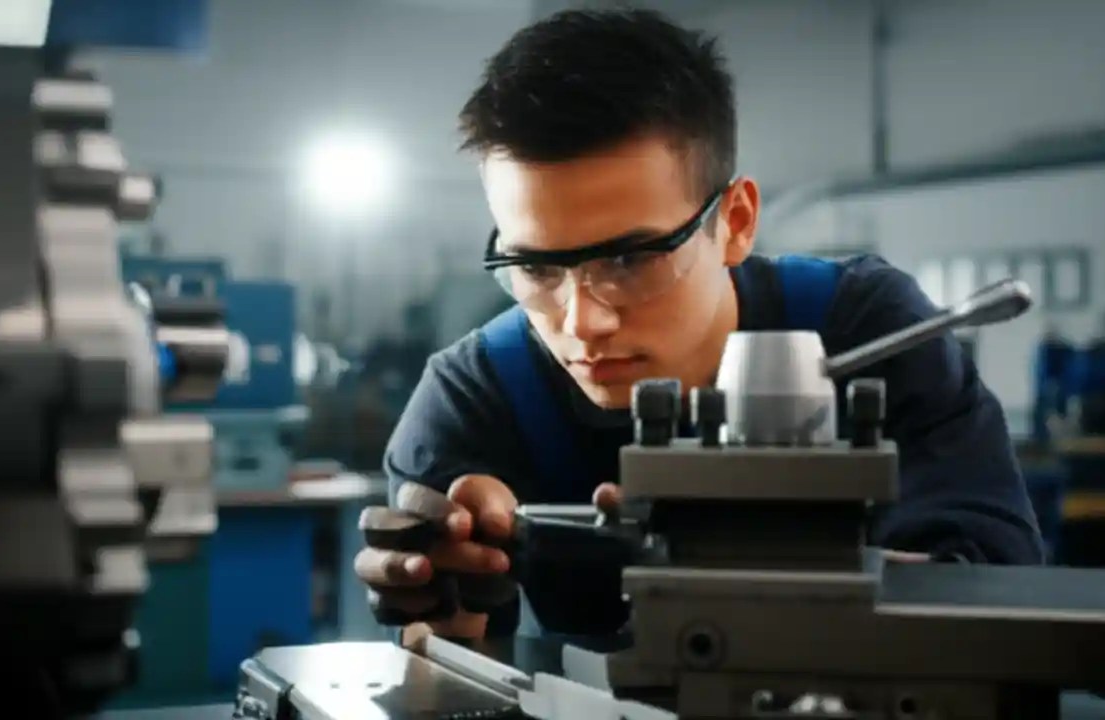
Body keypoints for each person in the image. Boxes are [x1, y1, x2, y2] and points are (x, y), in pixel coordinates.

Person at [354, 8, 1043, 646]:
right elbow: (446, 658)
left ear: (735, 222)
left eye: (630, 258)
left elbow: (994, 587)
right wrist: (443, 604)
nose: (582, 321)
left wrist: (770, 561)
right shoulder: (477, 395)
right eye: (534, 267)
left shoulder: (867, 329)